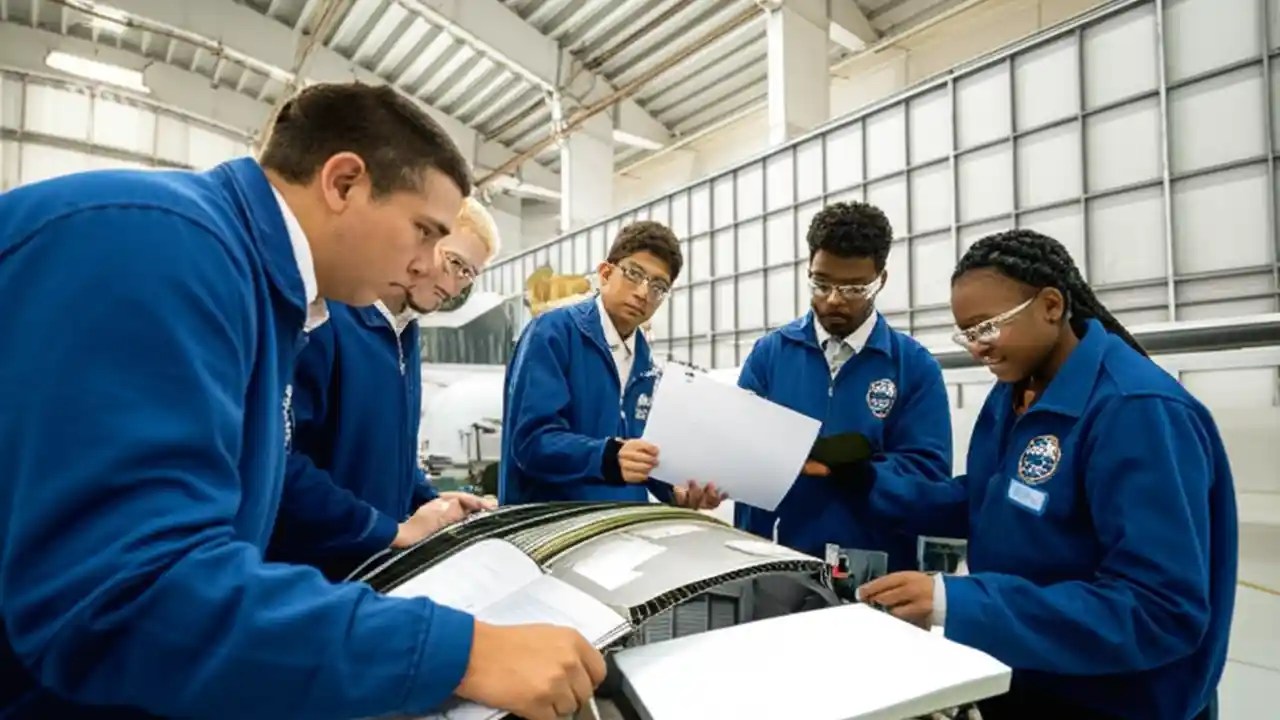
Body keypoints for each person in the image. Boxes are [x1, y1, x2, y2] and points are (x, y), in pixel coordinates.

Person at [0, 82, 605, 720]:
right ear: (343, 183)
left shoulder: (267, 297)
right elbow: (127, 595)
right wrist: (458, 653)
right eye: (423, 232)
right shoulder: (158, 249)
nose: (427, 266)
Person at [858, 229, 1236, 720]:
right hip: (1027, 677)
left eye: (988, 327)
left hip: (1115, 702)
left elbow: (1159, 610)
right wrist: (865, 481)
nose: (977, 348)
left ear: (1051, 306)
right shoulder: (1017, 391)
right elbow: (991, 502)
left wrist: (958, 603)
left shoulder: (1136, 411)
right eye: (967, 334)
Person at [267, 197, 502, 580]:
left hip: (374, 565)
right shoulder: (326, 320)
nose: (453, 286)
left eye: (468, 275)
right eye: (453, 263)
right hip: (311, 572)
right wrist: (391, 530)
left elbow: (389, 452)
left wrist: (430, 501)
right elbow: (283, 466)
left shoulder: (405, 332)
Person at [733, 201, 953, 571]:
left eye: (854, 289)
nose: (834, 299)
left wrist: (861, 475)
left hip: (875, 571)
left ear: (881, 279)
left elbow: (929, 476)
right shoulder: (771, 354)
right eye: (821, 284)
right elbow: (735, 446)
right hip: (773, 561)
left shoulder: (914, 366)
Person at [499, 221, 723, 510]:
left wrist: (675, 493)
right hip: (556, 525)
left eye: (658, 286)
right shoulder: (553, 334)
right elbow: (531, 443)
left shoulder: (645, 364)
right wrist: (607, 457)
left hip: (622, 527)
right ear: (605, 274)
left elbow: (641, 454)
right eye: (634, 274)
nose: (643, 293)